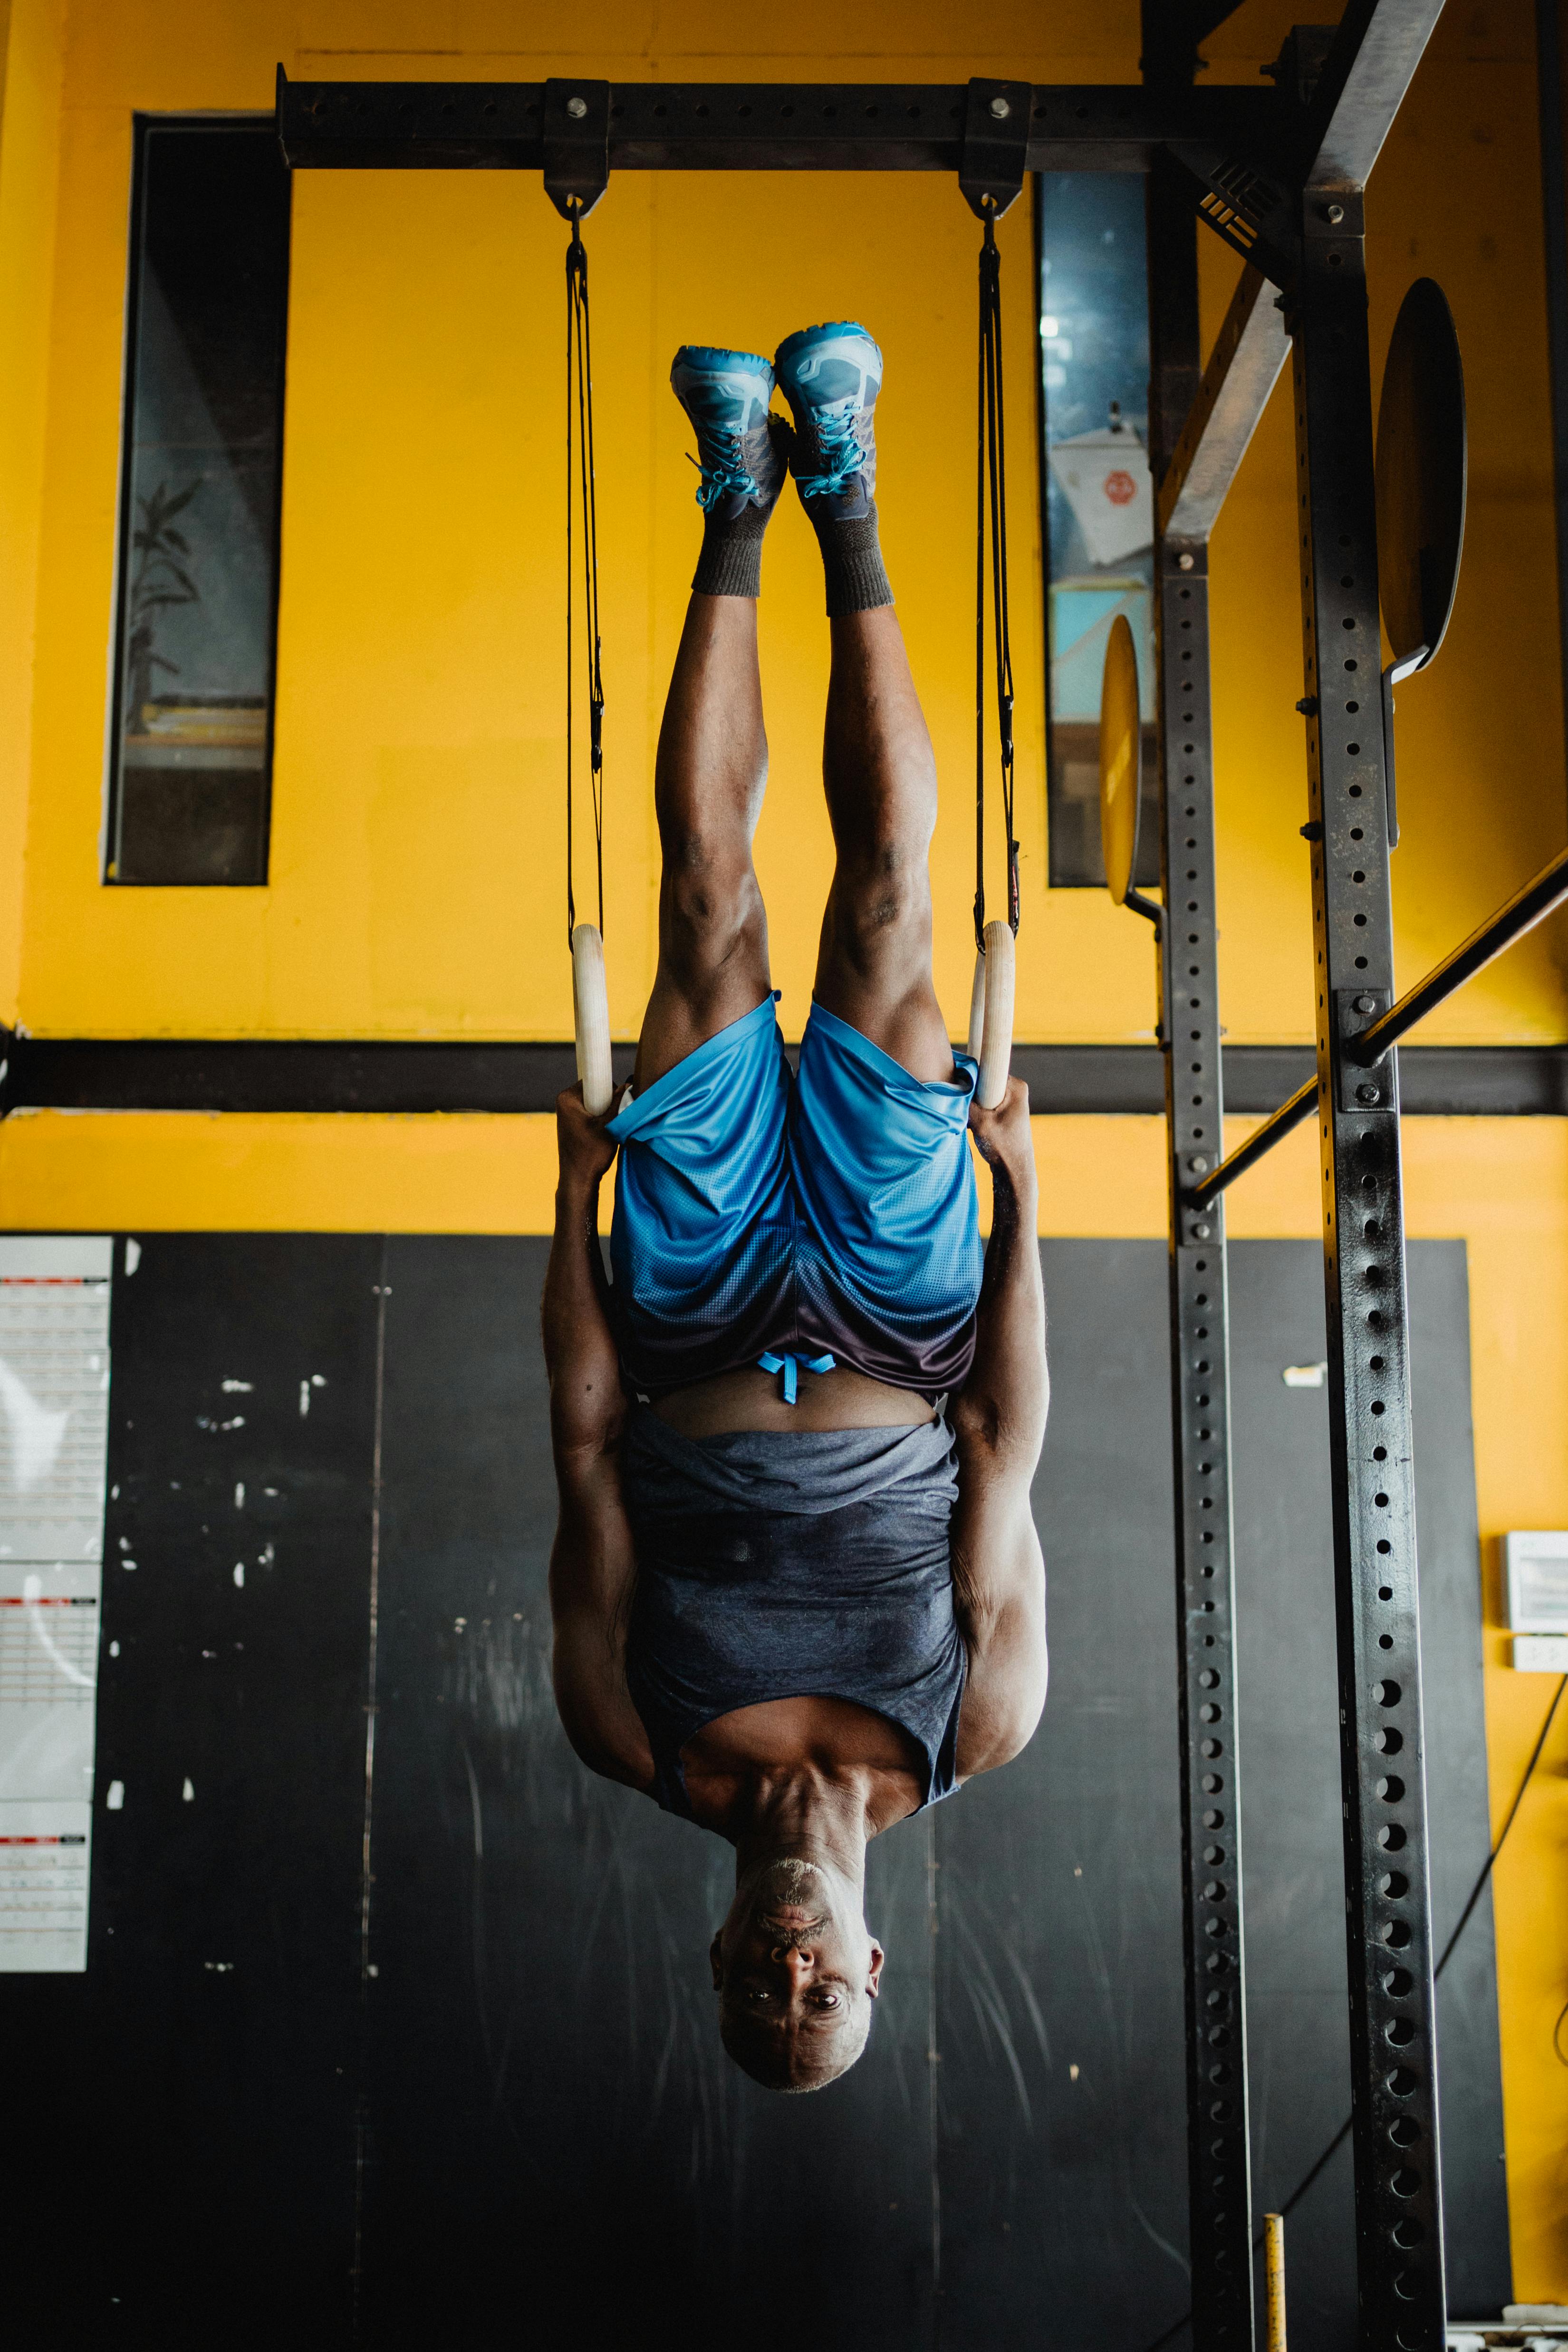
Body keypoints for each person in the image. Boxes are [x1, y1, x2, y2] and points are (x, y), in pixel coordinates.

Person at [544, 323, 1049, 2094]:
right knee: (892, 910)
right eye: (819, 2001)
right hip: (904, 1314)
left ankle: (734, 501)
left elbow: (589, 1450)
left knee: (701, 910)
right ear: (870, 1965)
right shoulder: (973, 1728)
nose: (789, 1977)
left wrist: (573, 1205)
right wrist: (1018, 1199)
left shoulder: (634, 1737)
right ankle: (844, 491)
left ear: (715, 1959)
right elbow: (1002, 1442)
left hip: (685, 1302)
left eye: (755, 2001)